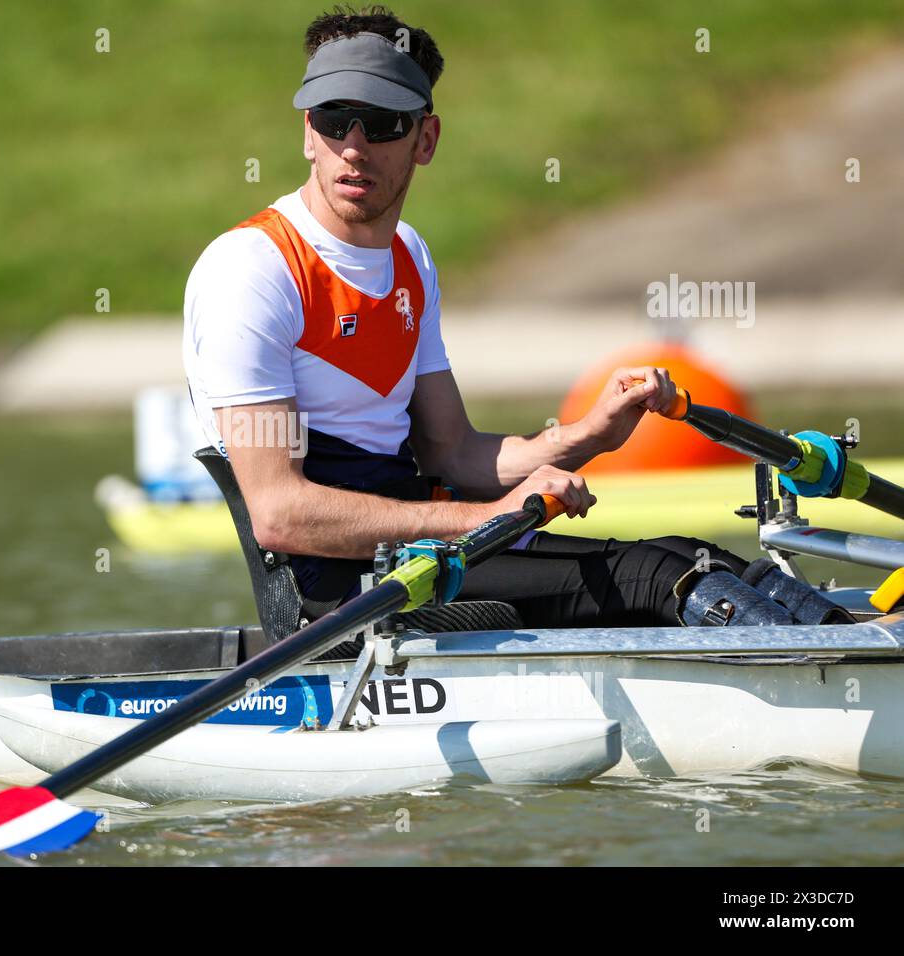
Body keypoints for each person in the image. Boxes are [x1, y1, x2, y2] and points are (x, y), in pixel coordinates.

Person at [182, 7, 850, 631]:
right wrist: (488, 516)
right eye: (333, 119)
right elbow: (279, 514)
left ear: (426, 139)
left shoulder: (409, 256)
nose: (353, 147)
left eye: (381, 122)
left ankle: (853, 641)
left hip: (423, 553)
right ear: (307, 132)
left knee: (695, 555)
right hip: (339, 594)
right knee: (659, 576)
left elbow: (455, 453)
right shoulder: (254, 272)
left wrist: (586, 436)